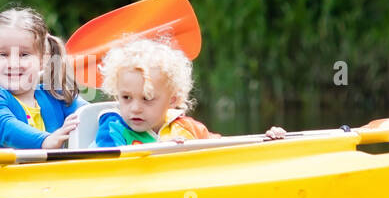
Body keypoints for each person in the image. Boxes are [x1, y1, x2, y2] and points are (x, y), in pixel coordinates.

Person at [94, 36, 285, 146]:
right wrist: (156, 152)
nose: (135, 108)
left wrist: (265, 140)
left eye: (147, 98)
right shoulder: (112, 129)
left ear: (173, 99)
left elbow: (225, 151)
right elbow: (105, 169)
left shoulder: (189, 128)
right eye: (126, 97)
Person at [0, 7, 86, 149]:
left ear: (42, 61)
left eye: (24, 55)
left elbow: (88, 114)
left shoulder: (55, 95)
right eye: (3, 54)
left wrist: (109, 114)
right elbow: (8, 130)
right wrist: (46, 141)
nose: (13, 64)